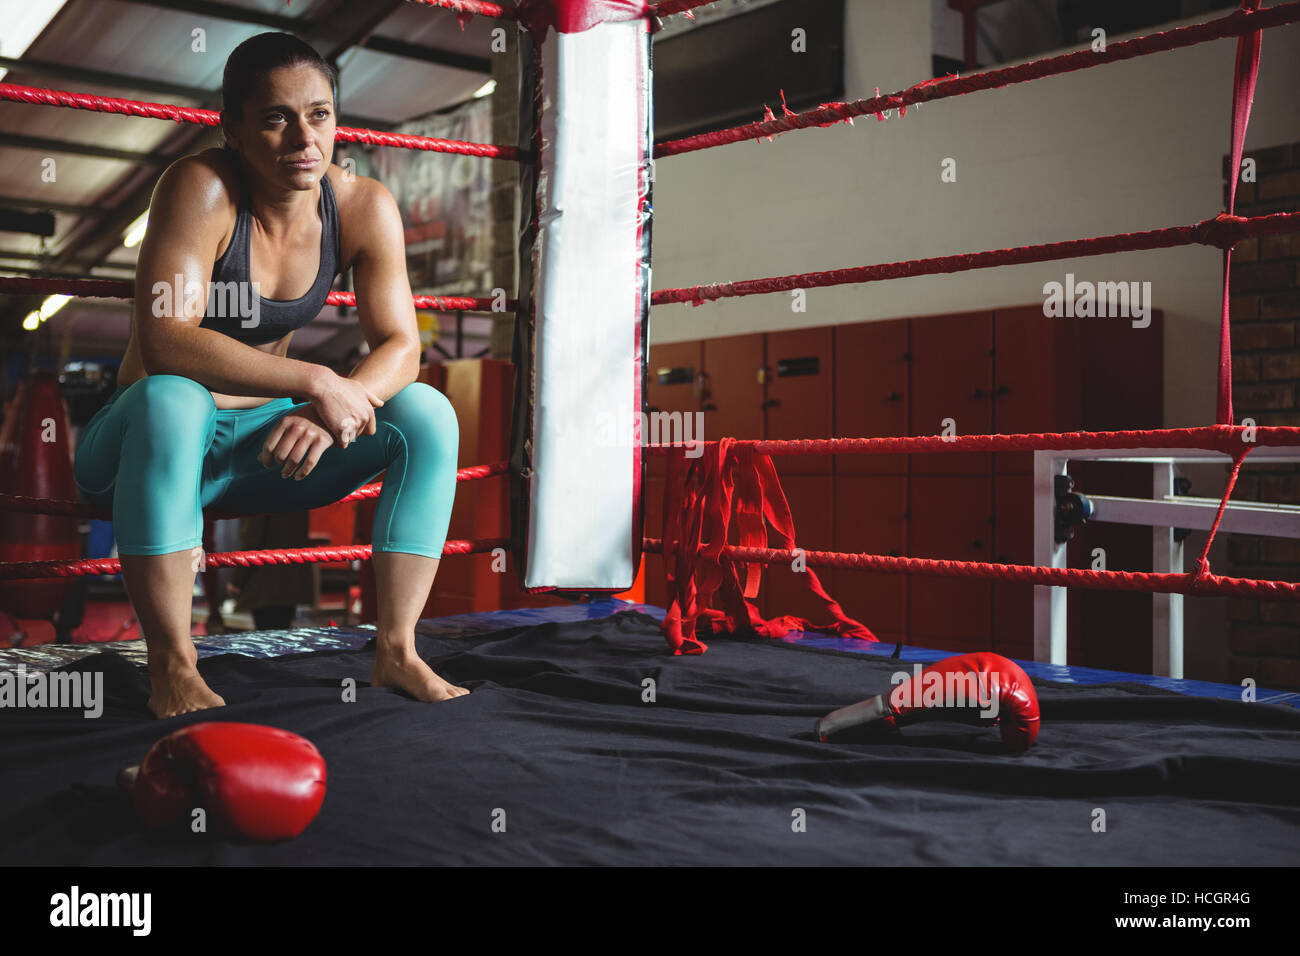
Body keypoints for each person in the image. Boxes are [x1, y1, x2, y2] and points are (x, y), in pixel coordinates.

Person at [73, 32, 466, 718]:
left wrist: (330, 404)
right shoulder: (200, 188)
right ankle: (173, 666)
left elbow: (403, 344)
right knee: (174, 399)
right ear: (233, 128)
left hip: (262, 448)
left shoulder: (363, 206)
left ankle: (397, 652)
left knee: (427, 414)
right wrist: (312, 381)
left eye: (318, 114)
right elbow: (166, 340)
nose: (302, 139)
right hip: (148, 447)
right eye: (276, 118)